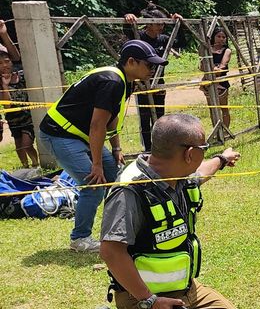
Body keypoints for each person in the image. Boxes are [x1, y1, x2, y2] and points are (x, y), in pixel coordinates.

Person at [86, 113, 248, 309]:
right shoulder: (129, 190)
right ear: (189, 154)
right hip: (143, 297)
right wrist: (150, 301)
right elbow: (111, 252)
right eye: (204, 148)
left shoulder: (176, 173)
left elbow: (202, 172)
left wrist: (220, 159)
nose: (205, 154)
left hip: (186, 289)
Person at [38, 39, 165, 252]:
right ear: (131, 62)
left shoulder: (126, 81)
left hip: (79, 135)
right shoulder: (112, 82)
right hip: (59, 135)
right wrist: (96, 164)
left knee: (116, 177)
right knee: (94, 184)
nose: (153, 69)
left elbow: (111, 119)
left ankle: (119, 232)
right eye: (149, 65)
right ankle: (80, 239)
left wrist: (116, 148)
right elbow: (97, 125)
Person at [124, 4, 181, 152]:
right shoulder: (139, 36)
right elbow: (128, 31)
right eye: (158, 23)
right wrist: (128, 17)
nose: (161, 26)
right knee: (144, 117)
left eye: (163, 23)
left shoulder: (163, 39)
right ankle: (148, 150)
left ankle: (160, 147)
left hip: (159, 83)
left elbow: (179, 41)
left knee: (160, 118)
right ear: (149, 23)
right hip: (141, 84)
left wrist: (178, 24)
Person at [0, 45, 39, 168]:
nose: (5, 65)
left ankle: (36, 164)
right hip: (13, 119)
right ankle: (25, 167)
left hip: (28, 117)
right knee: (18, 146)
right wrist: (5, 86)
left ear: (12, 62)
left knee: (27, 144)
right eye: (0, 63)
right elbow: (7, 106)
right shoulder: (0, 84)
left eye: (7, 61)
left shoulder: (22, 75)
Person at [209, 28, 233, 132]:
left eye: (223, 37)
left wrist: (212, 68)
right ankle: (217, 131)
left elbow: (222, 66)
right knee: (213, 109)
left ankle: (226, 130)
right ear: (213, 37)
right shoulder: (208, 49)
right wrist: (214, 69)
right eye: (218, 36)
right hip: (208, 82)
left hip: (222, 82)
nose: (221, 39)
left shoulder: (226, 51)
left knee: (224, 108)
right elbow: (201, 65)